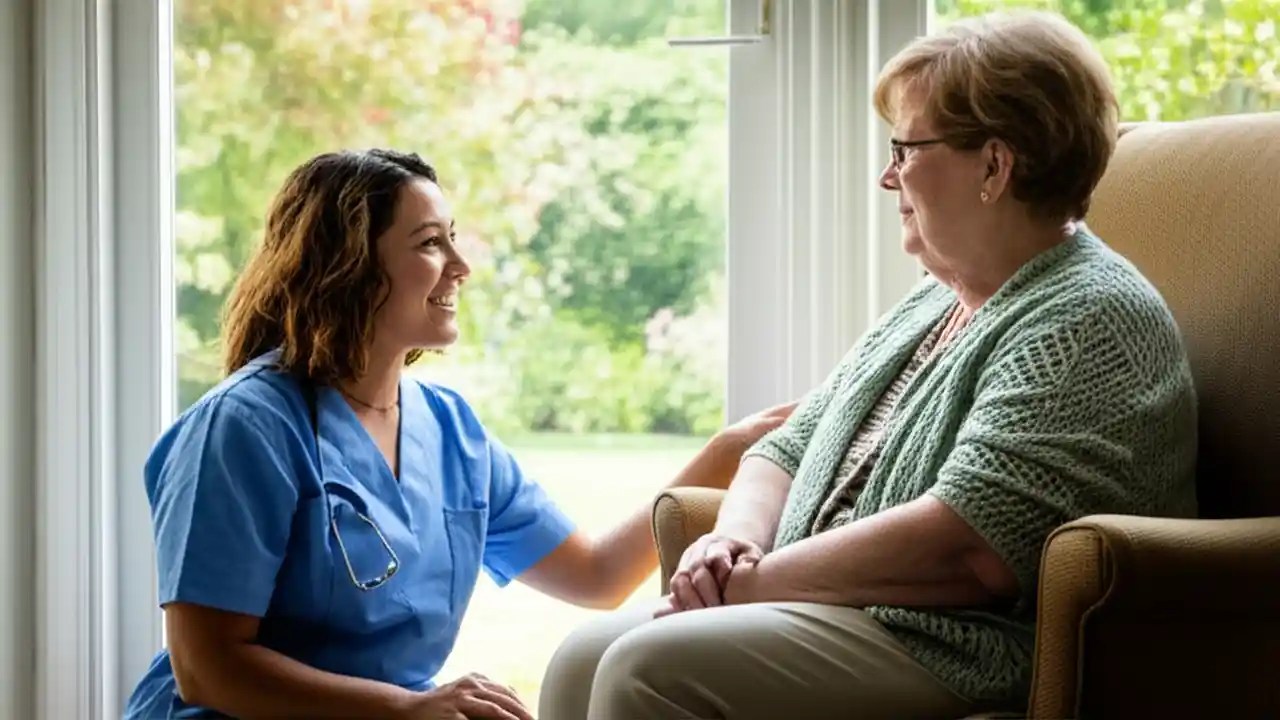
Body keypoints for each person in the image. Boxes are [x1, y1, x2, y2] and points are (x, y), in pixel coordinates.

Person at [539, 11, 1198, 720]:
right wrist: (733, 540)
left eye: (907, 149)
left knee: (651, 669)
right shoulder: (935, 301)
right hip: (845, 612)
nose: (889, 177)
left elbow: (969, 547)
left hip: (959, 644)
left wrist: (755, 586)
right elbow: (787, 446)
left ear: (994, 166)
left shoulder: (1087, 318)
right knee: (584, 657)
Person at [123, 148, 794, 720]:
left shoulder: (449, 430)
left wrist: (729, 451)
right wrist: (407, 709)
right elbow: (206, 670)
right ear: (349, 268)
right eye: (429, 242)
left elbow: (595, 576)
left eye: (452, 236)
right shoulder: (245, 427)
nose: (460, 265)